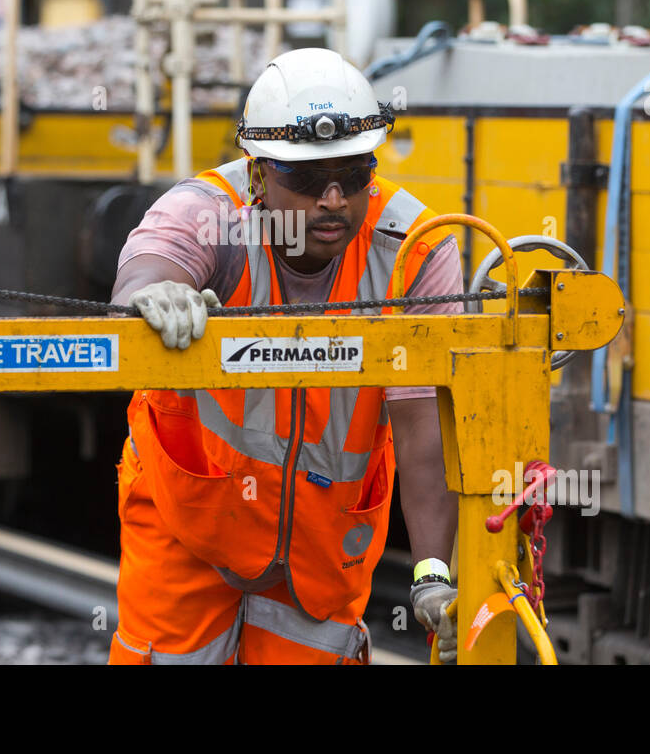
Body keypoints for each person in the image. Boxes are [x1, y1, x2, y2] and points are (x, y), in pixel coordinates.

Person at [108, 47, 460, 664]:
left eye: (353, 177)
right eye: (306, 179)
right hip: (189, 526)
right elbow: (148, 267)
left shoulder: (414, 254)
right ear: (257, 175)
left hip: (322, 548)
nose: (332, 199)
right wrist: (154, 293)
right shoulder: (209, 213)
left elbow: (424, 430)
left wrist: (433, 574)